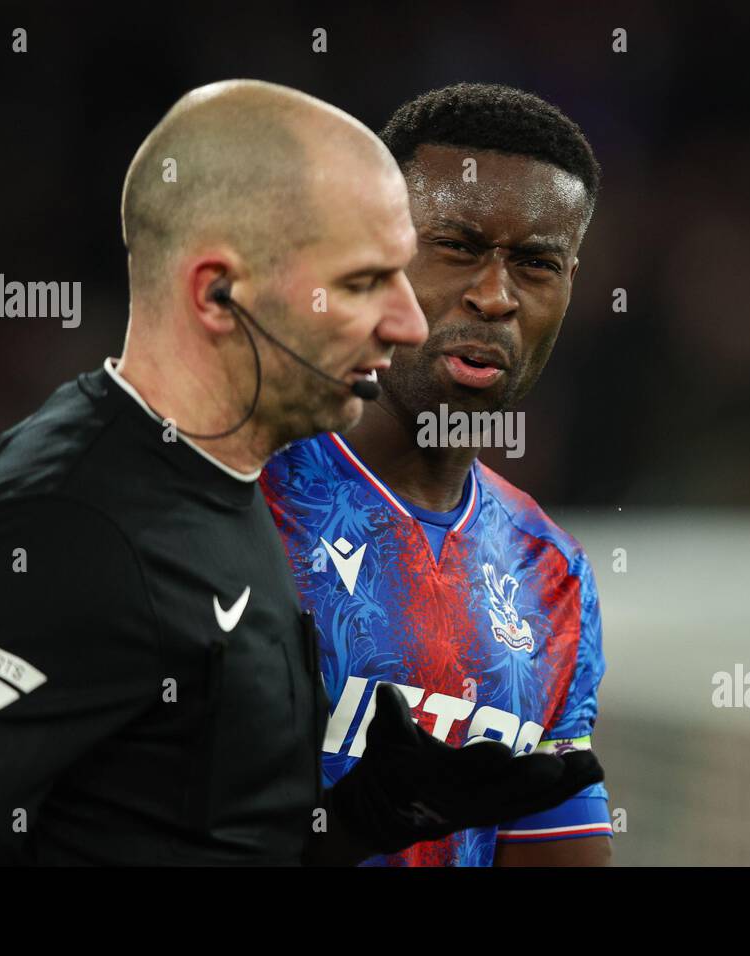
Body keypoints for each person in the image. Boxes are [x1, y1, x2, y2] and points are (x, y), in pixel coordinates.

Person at [0, 80, 601, 866]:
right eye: (360, 282)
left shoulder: (226, 490)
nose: (409, 319)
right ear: (218, 291)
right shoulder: (53, 530)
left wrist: (369, 816)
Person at [260, 83, 612, 866]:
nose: (494, 296)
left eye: (535, 263)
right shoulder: (238, 493)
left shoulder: (552, 575)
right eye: (455, 246)